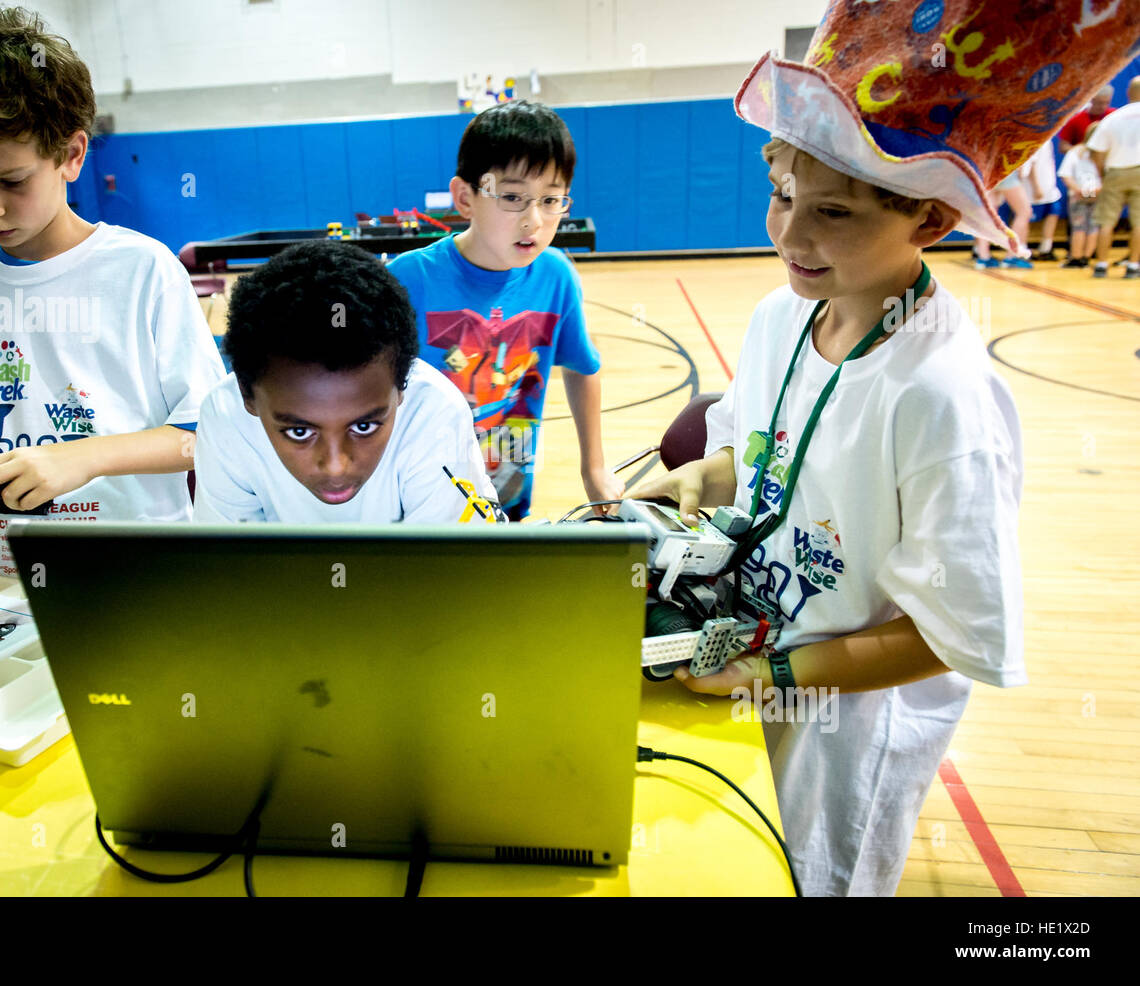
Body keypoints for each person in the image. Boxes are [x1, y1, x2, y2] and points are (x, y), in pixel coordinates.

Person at [631, 0, 1138, 896]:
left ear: (927, 221)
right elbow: (760, 455)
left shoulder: (944, 398)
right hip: (751, 657)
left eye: (834, 213)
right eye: (784, 194)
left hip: (847, 731)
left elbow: (942, 636)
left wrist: (771, 674)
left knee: (811, 877)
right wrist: (702, 475)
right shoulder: (777, 315)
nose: (789, 234)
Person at [0, 3, 225, 580]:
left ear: (72, 155)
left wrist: (79, 457)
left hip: (138, 578)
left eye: (12, 181)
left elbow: (206, 433)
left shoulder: (143, 269)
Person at [386, 101, 621, 520]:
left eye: (551, 200)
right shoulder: (408, 280)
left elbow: (583, 368)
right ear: (465, 197)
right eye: (512, 197)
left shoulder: (556, 278)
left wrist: (594, 467)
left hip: (507, 500)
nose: (533, 220)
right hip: (416, 502)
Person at [193, 241, 498, 524]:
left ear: (402, 384)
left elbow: (441, 569)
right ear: (248, 396)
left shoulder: (434, 411)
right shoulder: (224, 415)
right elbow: (233, 564)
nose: (336, 466)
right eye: (299, 432)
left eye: (364, 427)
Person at [1088, 77, 1140, 279]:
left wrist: (1102, 174)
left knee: (1106, 221)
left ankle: (1101, 265)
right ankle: (1133, 266)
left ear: (1128, 93)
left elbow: (1097, 152)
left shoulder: (1113, 118)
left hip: (1115, 171)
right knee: (1139, 223)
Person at [1058, 123, 1103, 268]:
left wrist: (1077, 190)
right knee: (1093, 227)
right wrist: (1099, 190)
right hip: (1097, 193)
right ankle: (1086, 257)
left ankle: (1076, 257)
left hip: (1079, 194)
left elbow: (1065, 174)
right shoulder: (1105, 154)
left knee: (1079, 227)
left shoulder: (1076, 152)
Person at [1022, 141, 1063, 261]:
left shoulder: (1048, 139)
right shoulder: (1035, 137)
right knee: (1024, 216)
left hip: (1049, 185)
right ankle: (1021, 248)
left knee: (1054, 211)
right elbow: (1031, 163)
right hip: (1034, 187)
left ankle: (1046, 247)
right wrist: (1036, 186)